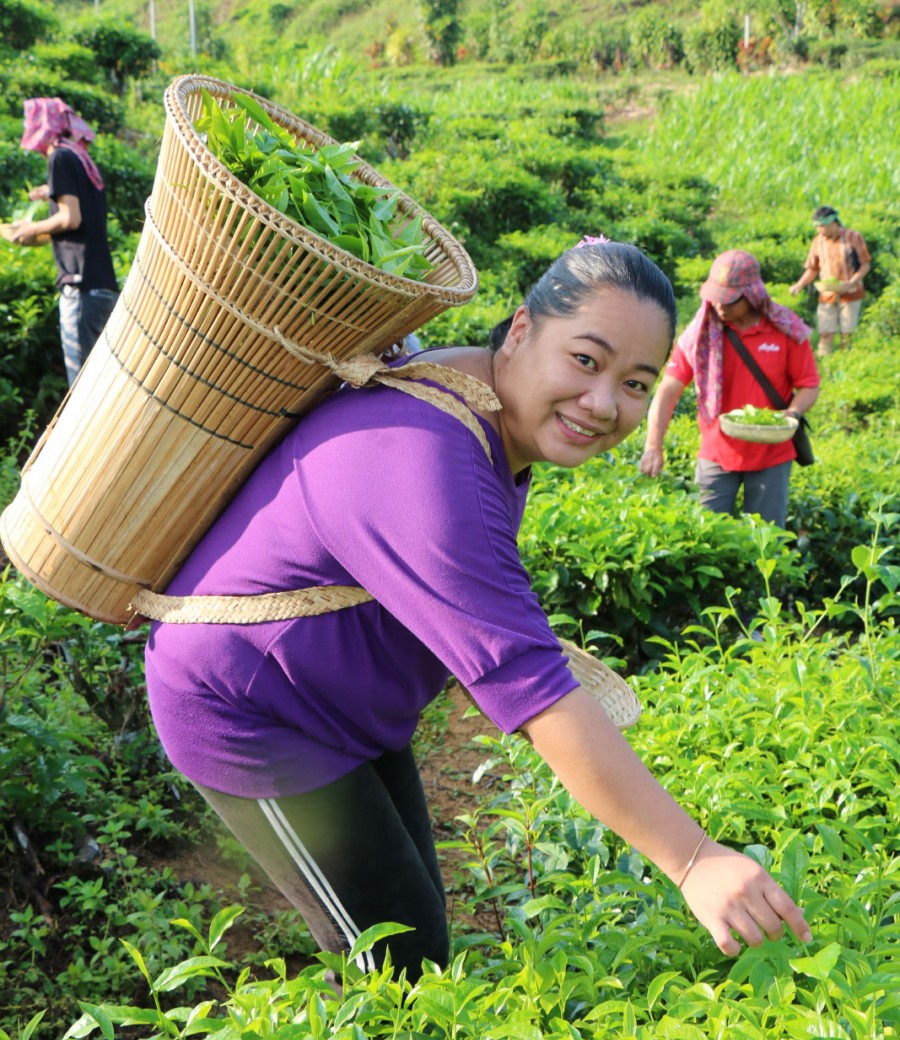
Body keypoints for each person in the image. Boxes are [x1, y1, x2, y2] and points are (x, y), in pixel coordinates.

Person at [142, 238, 812, 983]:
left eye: (635, 383)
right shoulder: (426, 461)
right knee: (396, 956)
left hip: (342, 700)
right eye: (585, 361)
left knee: (413, 924)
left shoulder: (474, 398)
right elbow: (531, 688)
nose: (603, 404)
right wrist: (693, 861)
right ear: (522, 329)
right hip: (252, 713)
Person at [640, 249, 819, 529]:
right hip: (716, 454)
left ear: (752, 295)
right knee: (708, 536)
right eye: (715, 297)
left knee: (765, 541)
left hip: (771, 456)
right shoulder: (700, 335)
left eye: (730, 299)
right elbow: (667, 391)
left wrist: (793, 413)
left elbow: (809, 385)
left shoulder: (785, 331)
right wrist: (653, 445)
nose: (720, 306)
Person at [11, 97, 119, 387]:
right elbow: (76, 223)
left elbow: (70, 218)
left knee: (83, 388)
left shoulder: (59, 156)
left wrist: (30, 227)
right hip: (103, 289)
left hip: (81, 290)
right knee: (104, 383)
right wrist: (49, 195)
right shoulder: (81, 159)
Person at [789, 205, 871, 356]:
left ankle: (846, 363)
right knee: (825, 333)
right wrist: (799, 285)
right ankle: (823, 363)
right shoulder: (817, 242)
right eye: (818, 227)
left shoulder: (853, 237)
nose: (820, 230)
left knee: (847, 334)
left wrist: (851, 282)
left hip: (851, 292)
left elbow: (865, 265)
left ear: (834, 222)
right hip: (826, 294)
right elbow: (813, 269)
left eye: (823, 226)